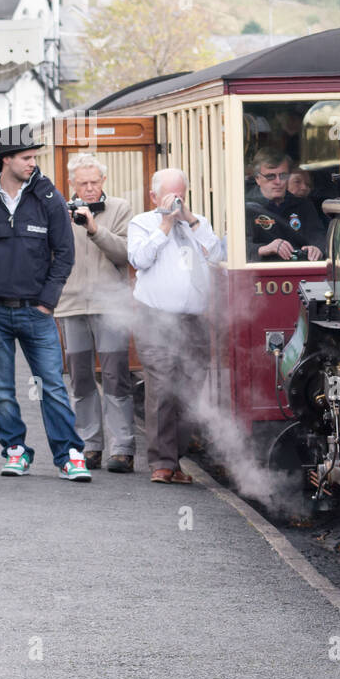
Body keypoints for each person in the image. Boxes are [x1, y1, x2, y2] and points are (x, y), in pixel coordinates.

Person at [0, 124, 89, 482]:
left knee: (52, 384)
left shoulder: (47, 195)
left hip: (37, 311)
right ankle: (15, 451)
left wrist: (47, 302)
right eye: (26, 157)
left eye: (34, 157)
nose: (33, 163)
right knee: (0, 388)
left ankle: (69, 455)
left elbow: (65, 253)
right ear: (6, 159)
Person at [128, 168, 223, 485]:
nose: (175, 201)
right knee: (162, 390)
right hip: (156, 318)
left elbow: (218, 255)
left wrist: (190, 220)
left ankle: (176, 458)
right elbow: (139, 260)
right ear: (154, 196)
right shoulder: (142, 223)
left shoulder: (199, 224)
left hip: (194, 321)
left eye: (180, 195)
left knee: (192, 392)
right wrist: (165, 225)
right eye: (169, 195)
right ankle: (162, 462)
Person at [55, 153, 135, 473]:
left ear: (104, 181)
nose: (89, 188)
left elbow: (125, 252)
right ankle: (89, 445)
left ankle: (123, 448)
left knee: (116, 377)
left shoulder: (120, 209)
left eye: (94, 182)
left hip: (110, 305)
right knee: (81, 379)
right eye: (83, 183)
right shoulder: (58, 212)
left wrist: (94, 228)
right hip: (71, 305)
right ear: (72, 183)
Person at [246, 153, 325, 262]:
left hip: (300, 270)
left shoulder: (303, 205)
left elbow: (318, 236)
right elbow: (236, 248)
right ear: (257, 179)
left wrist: (317, 248)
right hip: (262, 272)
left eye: (283, 176)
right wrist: (263, 249)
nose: (278, 182)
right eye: (270, 176)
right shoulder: (246, 208)